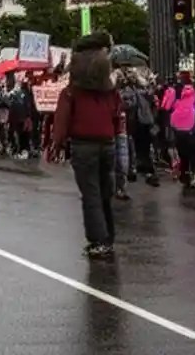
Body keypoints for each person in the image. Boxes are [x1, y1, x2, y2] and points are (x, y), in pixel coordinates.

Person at [50, 33, 122, 260]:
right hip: (108, 144)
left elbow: (61, 122)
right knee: (104, 193)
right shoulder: (110, 92)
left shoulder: (71, 92)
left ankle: (98, 241)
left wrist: (56, 145)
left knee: (90, 194)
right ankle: (108, 237)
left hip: (84, 146)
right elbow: (117, 117)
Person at [163, 72, 195, 189]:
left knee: (182, 151)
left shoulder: (175, 92)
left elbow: (167, 106)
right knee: (193, 152)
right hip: (191, 126)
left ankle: (184, 175)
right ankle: (194, 175)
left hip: (178, 126)